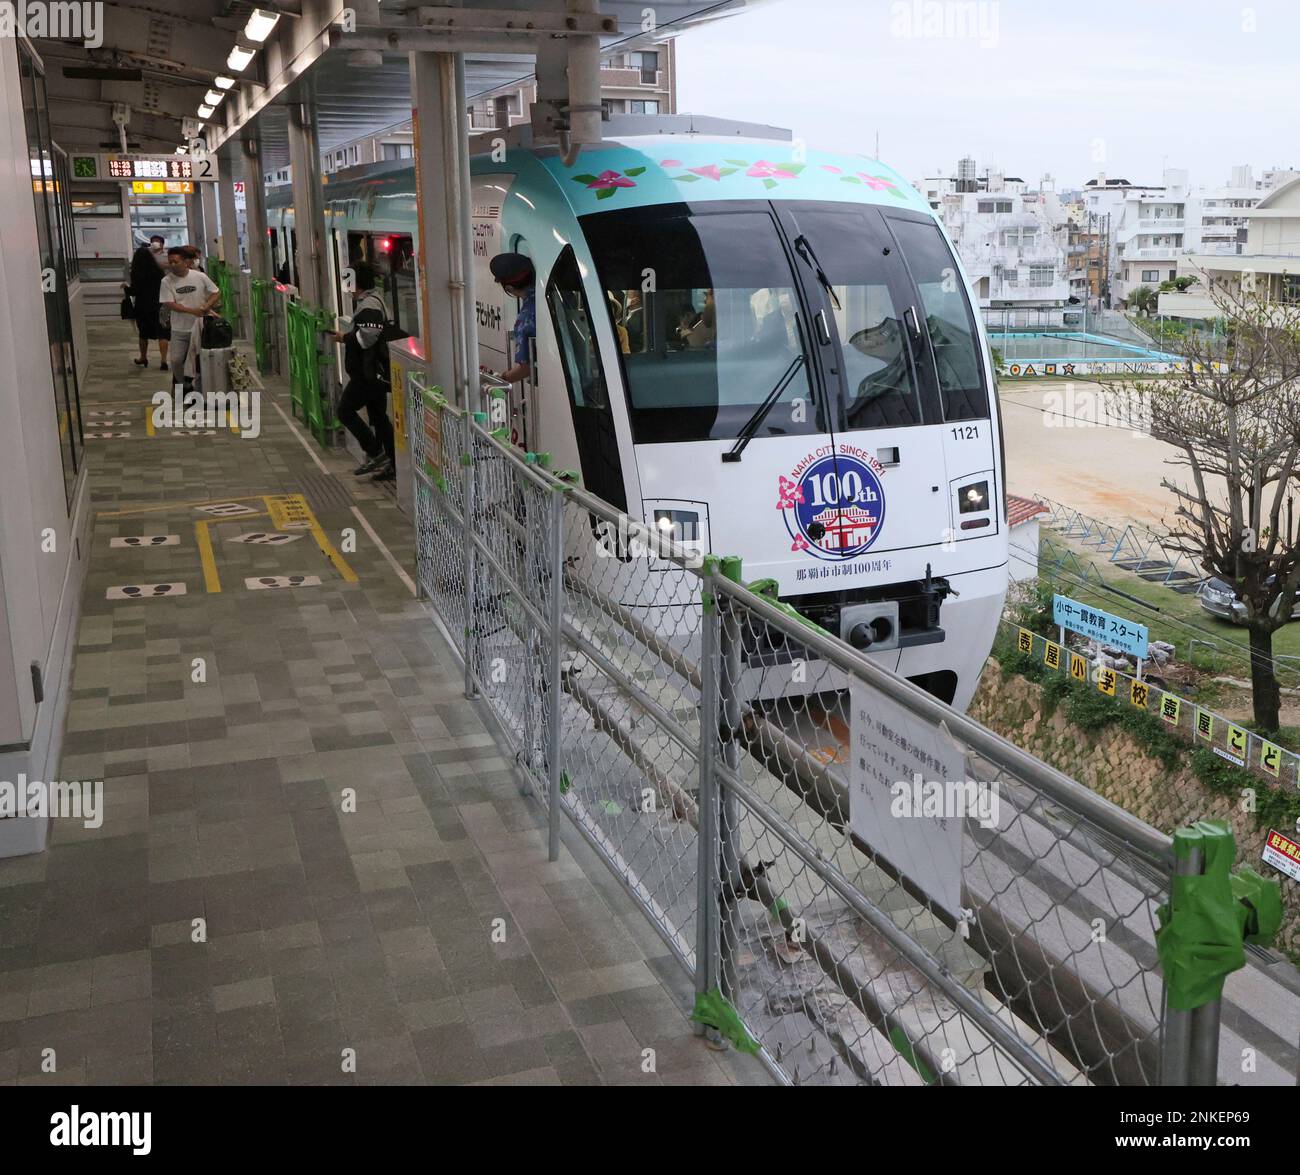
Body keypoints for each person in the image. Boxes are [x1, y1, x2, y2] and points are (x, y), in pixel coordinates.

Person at [330, 263, 395, 482]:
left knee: (344, 410)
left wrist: (345, 338)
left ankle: (376, 452)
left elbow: (367, 337)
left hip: (368, 374)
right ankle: (392, 465)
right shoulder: (373, 301)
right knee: (379, 418)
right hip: (374, 374)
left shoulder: (368, 304)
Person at [159, 246, 220, 389]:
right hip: (179, 329)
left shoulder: (199, 276)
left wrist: (206, 306)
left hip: (200, 327)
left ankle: (199, 386)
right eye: (170, 262)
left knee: (199, 359)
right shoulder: (166, 281)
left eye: (176, 262)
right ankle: (182, 384)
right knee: (176, 360)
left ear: (186, 261)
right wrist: (192, 311)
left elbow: (215, 292)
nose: (172, 265)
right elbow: (170, 303)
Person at [488, 252, 535, 385]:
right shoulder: (558, 298)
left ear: (509, 288)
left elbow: (525, 369)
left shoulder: (525, 319)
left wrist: (500, 379)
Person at [123, 235, 169, 369]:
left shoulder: (136, 274)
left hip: (143, 306)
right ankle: (164, 360)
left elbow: (134, 291)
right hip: (161, 305)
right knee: (163, 333)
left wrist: (126, 287)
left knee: (143, 333)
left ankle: (143, 357)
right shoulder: (159, 272)